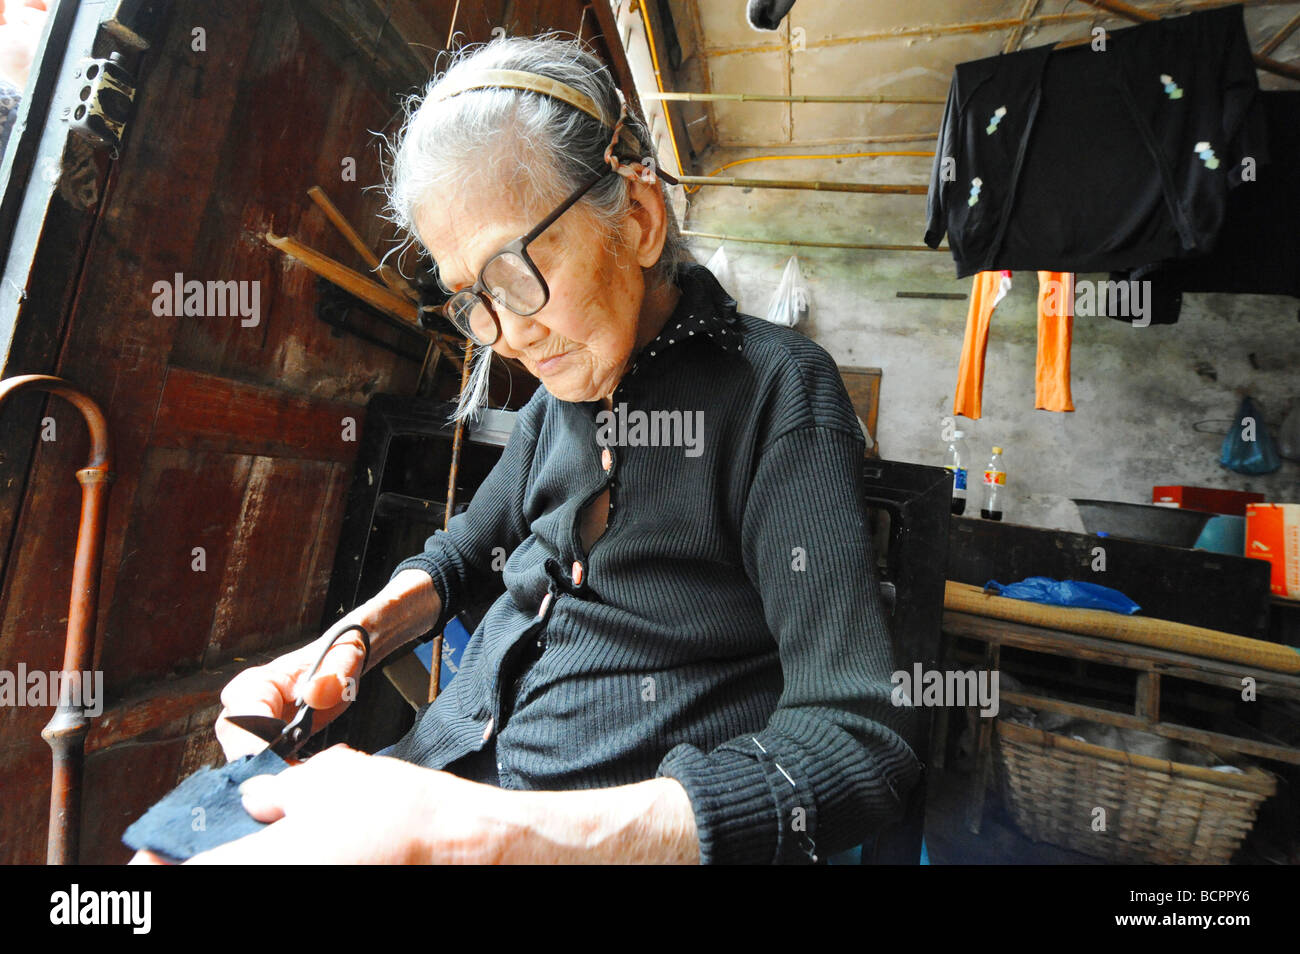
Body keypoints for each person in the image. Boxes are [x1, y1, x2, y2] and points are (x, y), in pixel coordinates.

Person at [165, 35, 919, 865]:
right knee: (169, 855)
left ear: (636, 217)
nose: (507, 336)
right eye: (470, 298)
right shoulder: (562, 393)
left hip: (571, 843)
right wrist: (348, 639)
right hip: (435, 786)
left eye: (515, 268)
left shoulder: (777, 391)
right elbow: (460, 556)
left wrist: (482, 838)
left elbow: (856, 746)